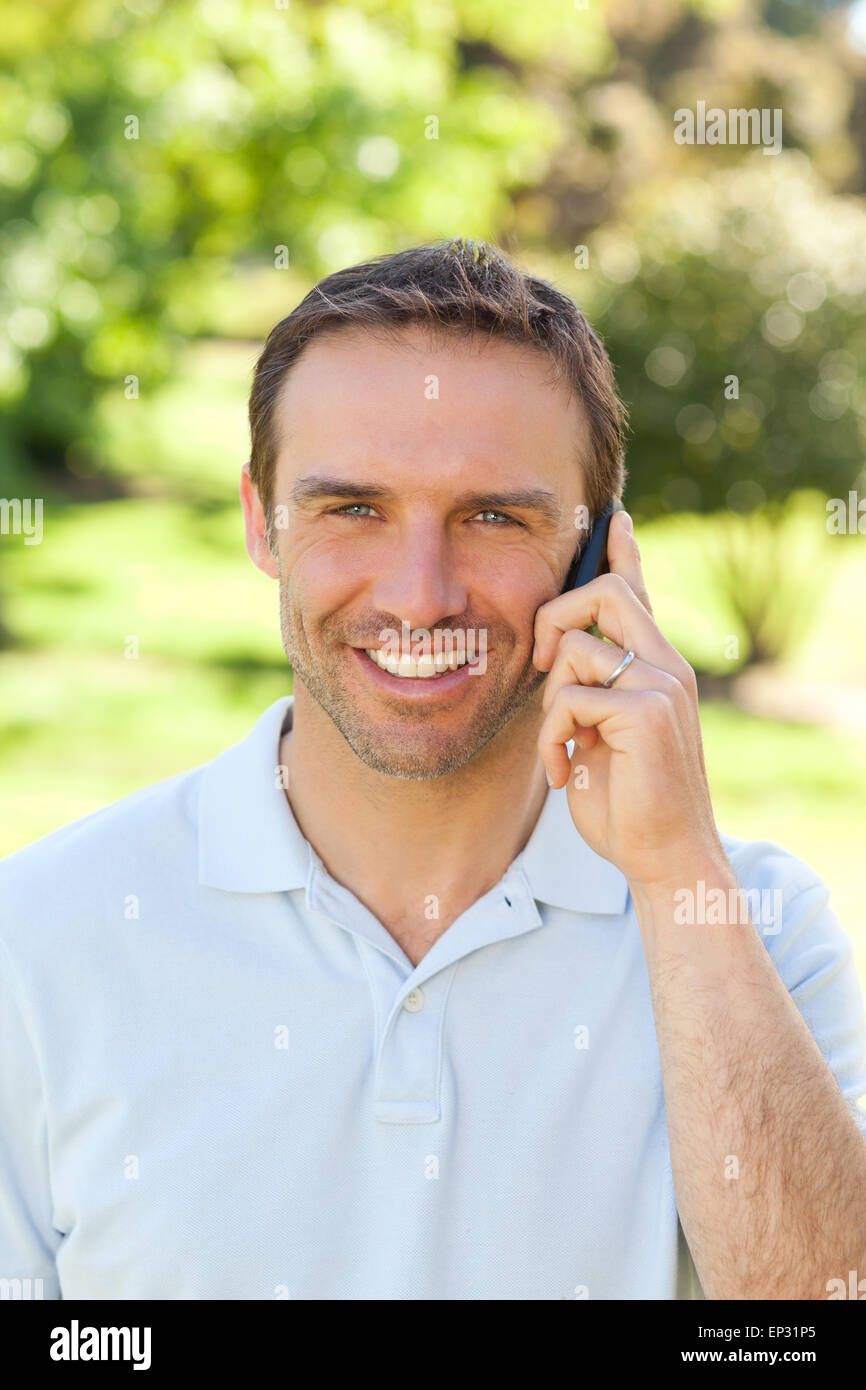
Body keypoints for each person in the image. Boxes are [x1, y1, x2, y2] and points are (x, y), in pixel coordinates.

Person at [2, 237, 865, 1301]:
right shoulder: (38, 941)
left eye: (492, 516)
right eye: (352, 508)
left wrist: (672, 865)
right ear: (259, 522)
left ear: (600, 556)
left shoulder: (758, 930)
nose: (420, 596)